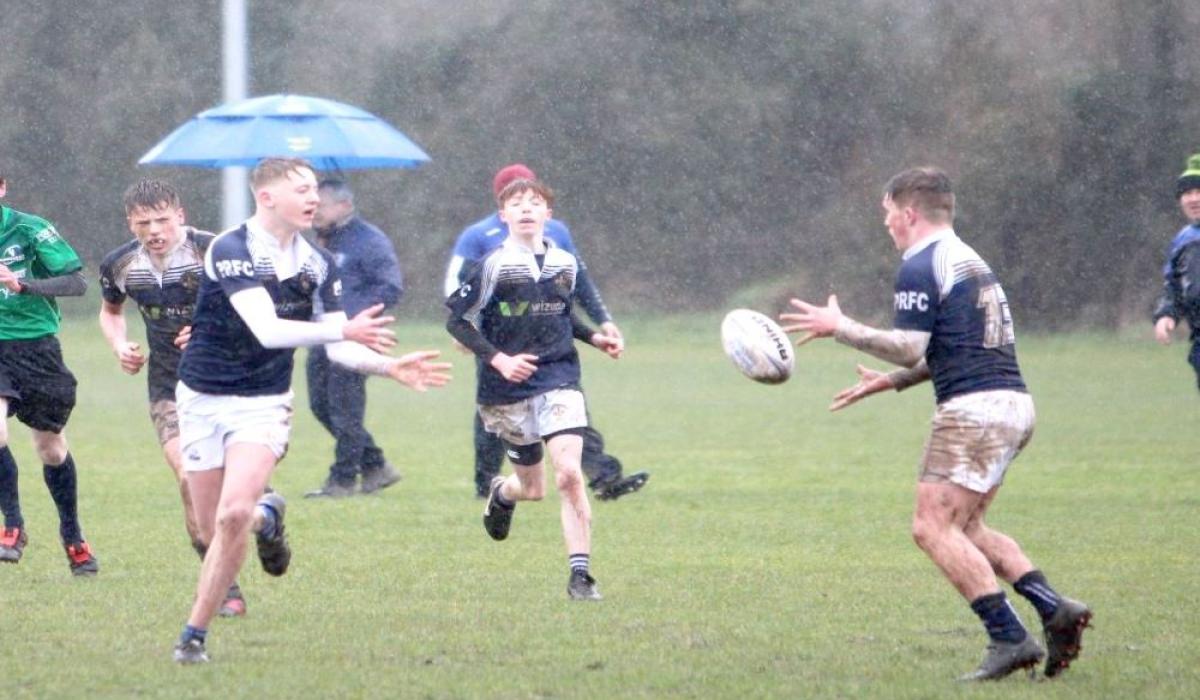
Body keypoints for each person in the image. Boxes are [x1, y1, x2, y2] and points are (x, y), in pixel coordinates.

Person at [778, 167, 1091, 681]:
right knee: (967, 527)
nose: (886, 225)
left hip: (972, 413)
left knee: (930, 528)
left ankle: (1009, 638)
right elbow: (953, 347)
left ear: (909, 213)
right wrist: (894, 382)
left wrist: (841, 329)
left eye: (886, 215)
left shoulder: (921, 264)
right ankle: (1054, 609)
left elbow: (909, 345)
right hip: (1012, 404)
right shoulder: (970, 259)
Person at [171, 157, 451, 664]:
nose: (313, 198)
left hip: (263, 403)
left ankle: (194, 634)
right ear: (266, 197)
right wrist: (340, 330)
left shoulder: (317, 264)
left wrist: (390, 367)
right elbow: (268, 329)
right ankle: (268, 516)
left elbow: (341, 349)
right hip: (201, 398)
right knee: (213, 526)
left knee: (231, 514)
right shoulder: (231, 248)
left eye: (315, 190)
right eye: (300, 188)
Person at [446, 177, 622, 601]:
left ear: (548, 214)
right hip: (505, 389)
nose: (526, 208)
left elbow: (560, 315)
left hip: (559, 376)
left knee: (568, 475)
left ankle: (581, 577)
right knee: (533, 488)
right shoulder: (491, 264)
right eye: (516, 203)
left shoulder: (564, 262)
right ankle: (502, 492)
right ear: (503, 215)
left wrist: (593, 337)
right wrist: (500, 359)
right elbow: (457, 322)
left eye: (535, 202)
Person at [445, 163, 647, 501]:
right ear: (502, 202)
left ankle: (603, 476)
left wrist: (601, 324)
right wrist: (462, 327)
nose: (525, 205)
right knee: (496, 413)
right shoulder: (479, 236)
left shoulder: (558, 234)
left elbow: (577, 282)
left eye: (532, 196)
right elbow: (457, 285)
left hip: (553, 340)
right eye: (515, 195)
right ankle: (488, 484)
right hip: (501, 340)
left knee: (569, 408)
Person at [98, 178, 247, 616]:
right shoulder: (121, 264)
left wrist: (210, 329)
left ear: (180, 215)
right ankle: (225, 583)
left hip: (228, 381)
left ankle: (266, 519)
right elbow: (110, 313)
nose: (155, 230)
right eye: (144, 223)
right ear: (131, 223)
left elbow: (256, 308)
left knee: (234, 484)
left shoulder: (215, 251)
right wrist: (119, 345)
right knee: (188, 475)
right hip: (169, 385)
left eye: (163, 219)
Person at [0, 171, 98, 575]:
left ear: (2, 187)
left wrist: (23, 286)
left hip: (38, 349)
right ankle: (13, 525)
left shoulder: (30, 230)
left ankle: (72, 534)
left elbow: (77, 283)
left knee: (51, 449)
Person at [304, 178, 404, 498]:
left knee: (345, 409)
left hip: (355, 335)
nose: (313, 211)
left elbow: (390, 287)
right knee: (320, 405)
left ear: (344, 206)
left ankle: (343, 480)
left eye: (320, 205)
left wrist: (354, 319)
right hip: (322, 334)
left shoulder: (369, 240)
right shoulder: (315, 242)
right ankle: (375, 464)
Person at [1153, 153, 1200, 384]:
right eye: (1188, 193)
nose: (1194, 199)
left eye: (1199, 192)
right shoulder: (1184, 241)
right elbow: (1174, 286)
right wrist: (1166, 314)